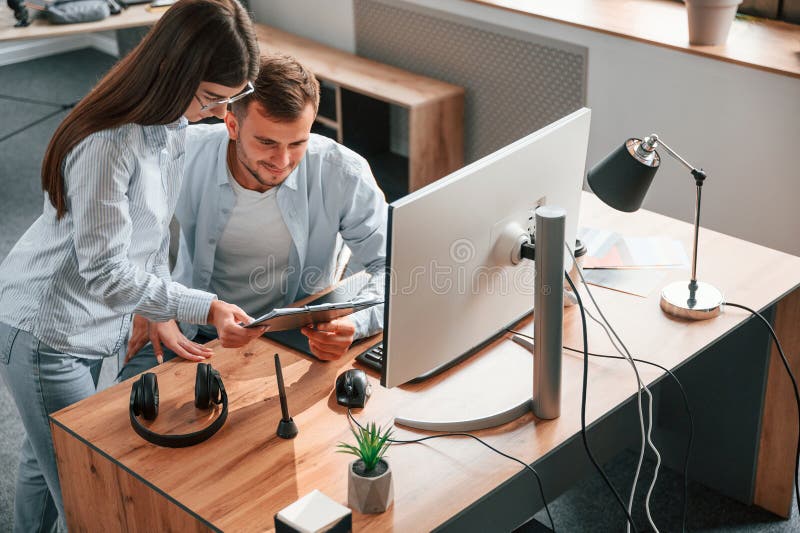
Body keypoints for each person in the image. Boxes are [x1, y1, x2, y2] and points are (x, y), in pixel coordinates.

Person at [0, 1, 263, 531]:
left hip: (103, 325)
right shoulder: (108, 142)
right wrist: (201, 306)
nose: (218, 112)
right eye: (212, 98)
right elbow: (105, 271)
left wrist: (158, 306)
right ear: (175, 73)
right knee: (91, 490)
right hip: (49, 333)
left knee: (43, 457)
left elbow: (142, 240)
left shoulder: (167, 125)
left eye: (231, 100)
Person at [120, 54, 387, 379]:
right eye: (266, 142)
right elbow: (126, 240)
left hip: (297, 337)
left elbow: (391, 267)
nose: (283, 160)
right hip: (194, 330)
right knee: (117, 409)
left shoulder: (342, 171)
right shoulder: (181, 155)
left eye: (298, 142)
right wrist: (150, 307)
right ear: (232, 125)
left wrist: (355, 324)